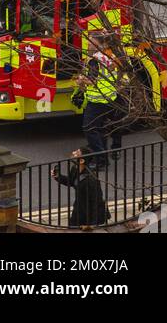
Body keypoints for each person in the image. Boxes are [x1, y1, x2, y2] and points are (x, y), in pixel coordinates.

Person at [78, 32, 121, 168]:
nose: (88, 44)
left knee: (89, 129)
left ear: (97, 43)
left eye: (90, 41)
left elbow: (92, 80)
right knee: (100, 129)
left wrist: (80, 80)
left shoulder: (95, 59)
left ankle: (101, 159)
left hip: (97, 100)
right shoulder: (110, 56)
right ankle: (102, 161)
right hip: (109, 98)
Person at [51, 148, 109, 228]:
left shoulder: (91, 180)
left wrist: (93, 225)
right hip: (79, 208)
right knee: (72, 228)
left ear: (81, 161)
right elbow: (71, 182)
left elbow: (96, 202)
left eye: (77, 153)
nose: (73, 152)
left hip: (90, 214)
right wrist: (58, 176)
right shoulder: (75, 168)